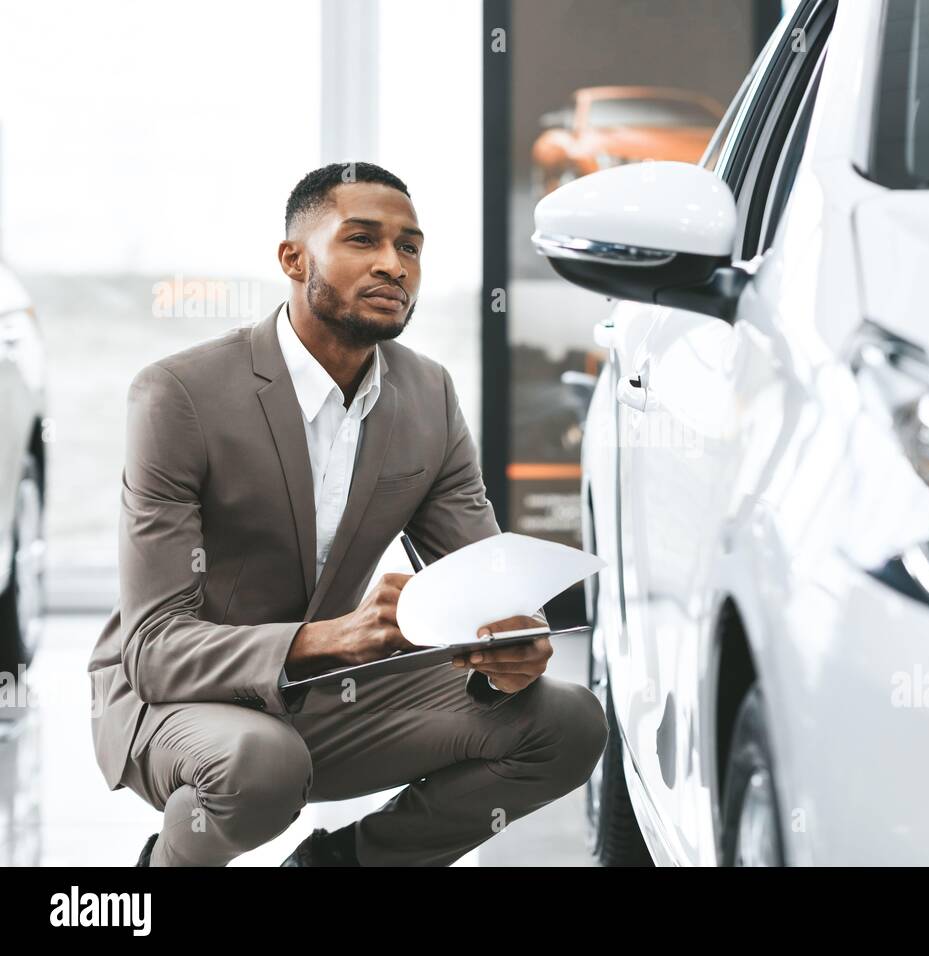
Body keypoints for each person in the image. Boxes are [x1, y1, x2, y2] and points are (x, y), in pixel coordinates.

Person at [86, 162, 608, 866]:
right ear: (293, 259)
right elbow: (154, 651)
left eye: (410, 248)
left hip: (328, 696)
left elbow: (484, 587)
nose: (394, 265)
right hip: (175, 698)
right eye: (363, 239)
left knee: (567, 722)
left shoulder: (427, 395)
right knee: (258, 764)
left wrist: (508, 649)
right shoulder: (179, 395)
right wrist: (331, 638)